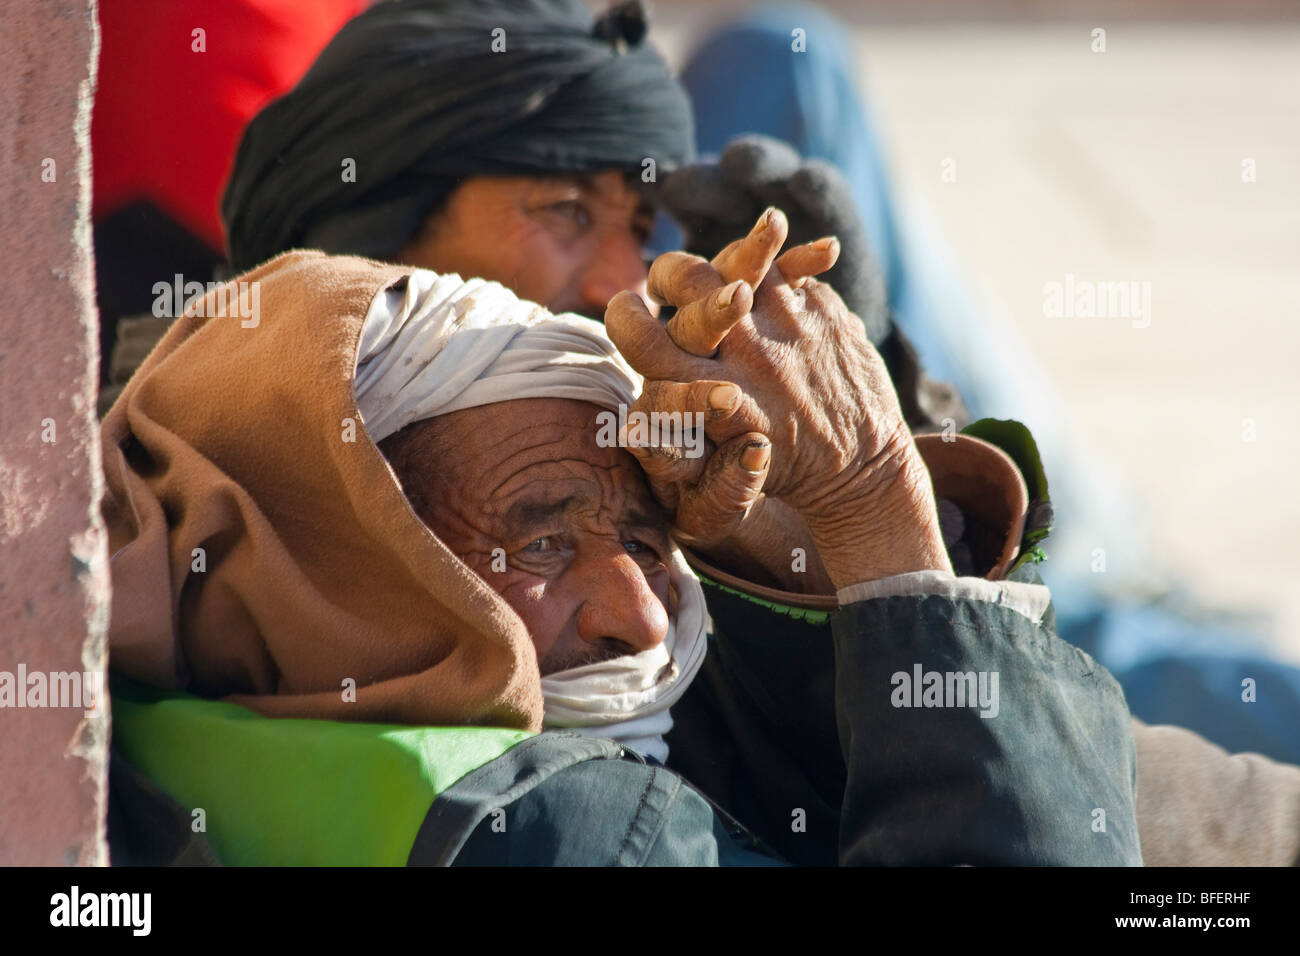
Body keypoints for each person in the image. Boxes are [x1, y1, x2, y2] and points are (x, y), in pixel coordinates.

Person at [105, 235, 1142, 866]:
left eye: (647, 542)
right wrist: (874, 508)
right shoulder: (573, 824)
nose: (644, 617)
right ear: (335, 558)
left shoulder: (211, 723)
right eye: (541, 539)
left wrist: (769, 521)